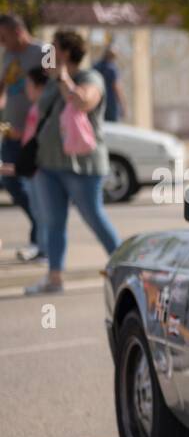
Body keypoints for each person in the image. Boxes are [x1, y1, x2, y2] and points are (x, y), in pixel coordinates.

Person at [24, 29, 120, 296]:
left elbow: (82, 101)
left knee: (94, 218)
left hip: (82, 166)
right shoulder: (51, 81)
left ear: (65, 52)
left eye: (53, 48)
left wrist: (63, 77)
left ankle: (125, 267)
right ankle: (54, 279)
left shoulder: (91, 77)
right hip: (48, 164)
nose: (48, 53)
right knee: (53, 222)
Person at [0, 13, 49, 261]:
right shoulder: (8, 55)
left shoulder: (43, 51)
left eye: (3, 37)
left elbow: (53, 90)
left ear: (18, 32)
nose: (1, 42)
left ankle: (42, 241)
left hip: (34, 135)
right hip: (10, 132)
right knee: (10, 182)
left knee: (37, 187)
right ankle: (40, 231)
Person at [92, 45, 127, 123]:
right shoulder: (112, 69)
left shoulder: (96, 66)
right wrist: (123, 105)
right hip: (111, 104)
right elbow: (117, 87)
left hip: (97, 103)